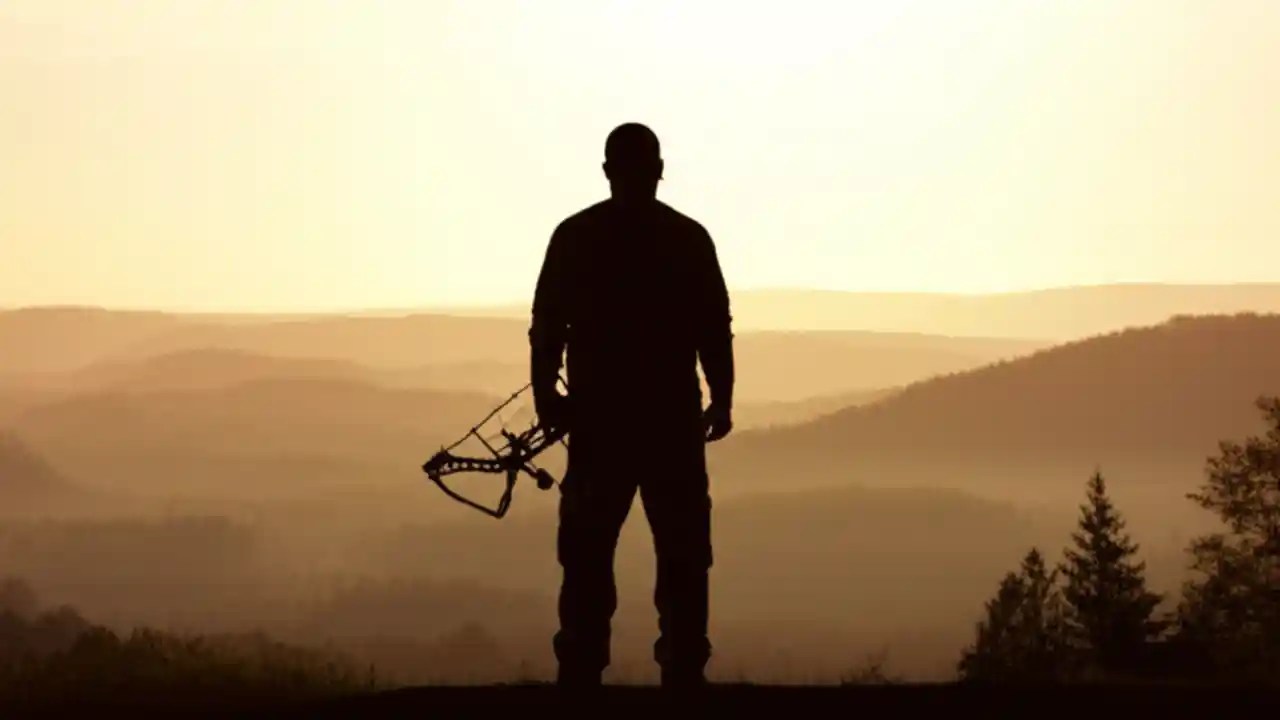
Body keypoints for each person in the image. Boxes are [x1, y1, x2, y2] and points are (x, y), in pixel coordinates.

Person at [528, 122, 735, 689]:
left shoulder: (576, 236)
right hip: (670, 423)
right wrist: (722, 397)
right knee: (683, 552)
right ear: (659, 169)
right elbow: (714, 326)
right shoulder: (688, 238)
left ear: (607, 171)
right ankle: (683, 669)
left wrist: (549, 396)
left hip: (600, 424)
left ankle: (581, 670)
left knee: (589, 553)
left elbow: (547, 324)